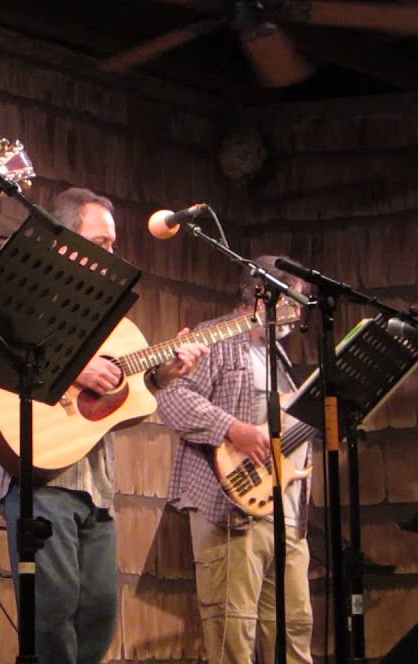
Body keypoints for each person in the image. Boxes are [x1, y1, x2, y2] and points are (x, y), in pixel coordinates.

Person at [0, 186, 208, 663]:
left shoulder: (112, 322)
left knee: (97, 613)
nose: (112, 253)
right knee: (51, 616)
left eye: (114, 243)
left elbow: (128, 391)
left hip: (95, 484)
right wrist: (74, 368)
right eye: (102, 242)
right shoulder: (23, 295)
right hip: (41, 476)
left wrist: (165, 372)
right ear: (65, 241)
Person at [155, 256, 316, 664]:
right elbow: (173, 396)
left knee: (293, 629)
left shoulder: (278, 357)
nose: (298, 315)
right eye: (295, 302)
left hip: (284, 510)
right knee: (233, 632)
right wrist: (233, 429)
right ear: (265, 294)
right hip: (229, 506)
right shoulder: (215, 338)